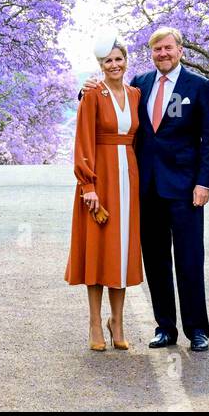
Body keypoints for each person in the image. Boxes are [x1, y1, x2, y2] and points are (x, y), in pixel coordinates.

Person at [81, 26, 209, 352]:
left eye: (168, 49)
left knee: (188, 260)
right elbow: (111, 102)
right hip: (146, 189)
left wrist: (204, 183)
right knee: (156, 262)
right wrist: (85, 90)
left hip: (186, 190)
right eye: (157, 50)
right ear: (151, 53)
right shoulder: (139, 85)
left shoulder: (199, 87)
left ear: (180, 50)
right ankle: (165, 328)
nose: (163, 54)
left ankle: (197, 329)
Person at [65, 35, 143, 351]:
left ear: (126, 61)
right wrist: (88, 186)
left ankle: (118, 321)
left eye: (119, 59)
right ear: (100, 65)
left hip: (129, 181)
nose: (114, 65)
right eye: (108, 60)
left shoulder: (136, 94)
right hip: (100, 181)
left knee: (121, 252)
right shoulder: (93, 95)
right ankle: (95, 323)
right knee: (97, 251)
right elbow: (83, 140)